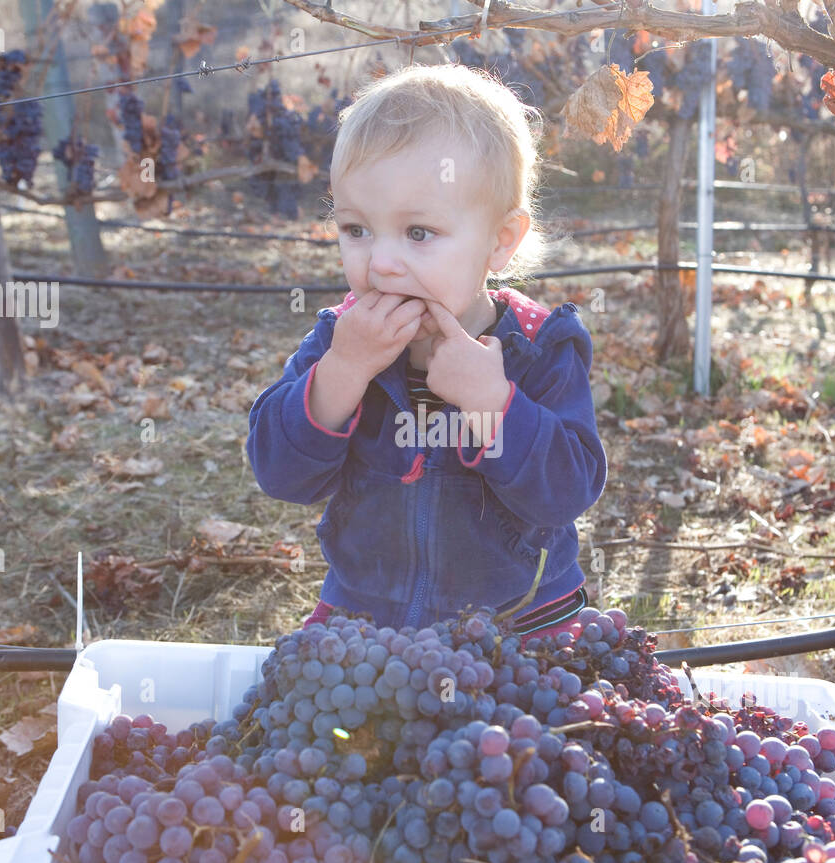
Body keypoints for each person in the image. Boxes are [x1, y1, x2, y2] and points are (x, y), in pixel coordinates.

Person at [247, 63, 607, 639]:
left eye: (417, 233)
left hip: (520, 621)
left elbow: (566, 493)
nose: (381, 262)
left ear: (500, 240)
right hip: (366, 620)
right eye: (356, 229)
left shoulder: (538, 349)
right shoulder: (340, 340)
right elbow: (280, 474)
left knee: (543, 729)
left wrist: (493, 402)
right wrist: (342, 373)